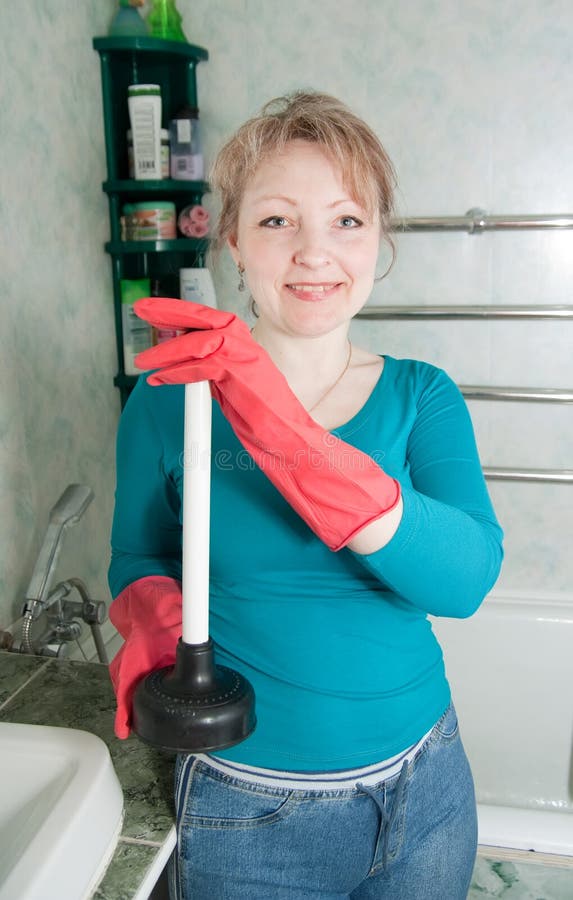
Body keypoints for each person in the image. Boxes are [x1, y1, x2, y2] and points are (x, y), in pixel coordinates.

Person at [108, 91, 504, 900]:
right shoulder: (168, 402)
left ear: (380, 241)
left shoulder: (422, 396)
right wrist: (150, 608)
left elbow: (464, 582)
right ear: (233, 243)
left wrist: (284, 432)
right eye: (277, 221)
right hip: (247, 807)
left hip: (426, 785)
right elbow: (139, 551)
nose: (313, 252)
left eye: (347, 221)